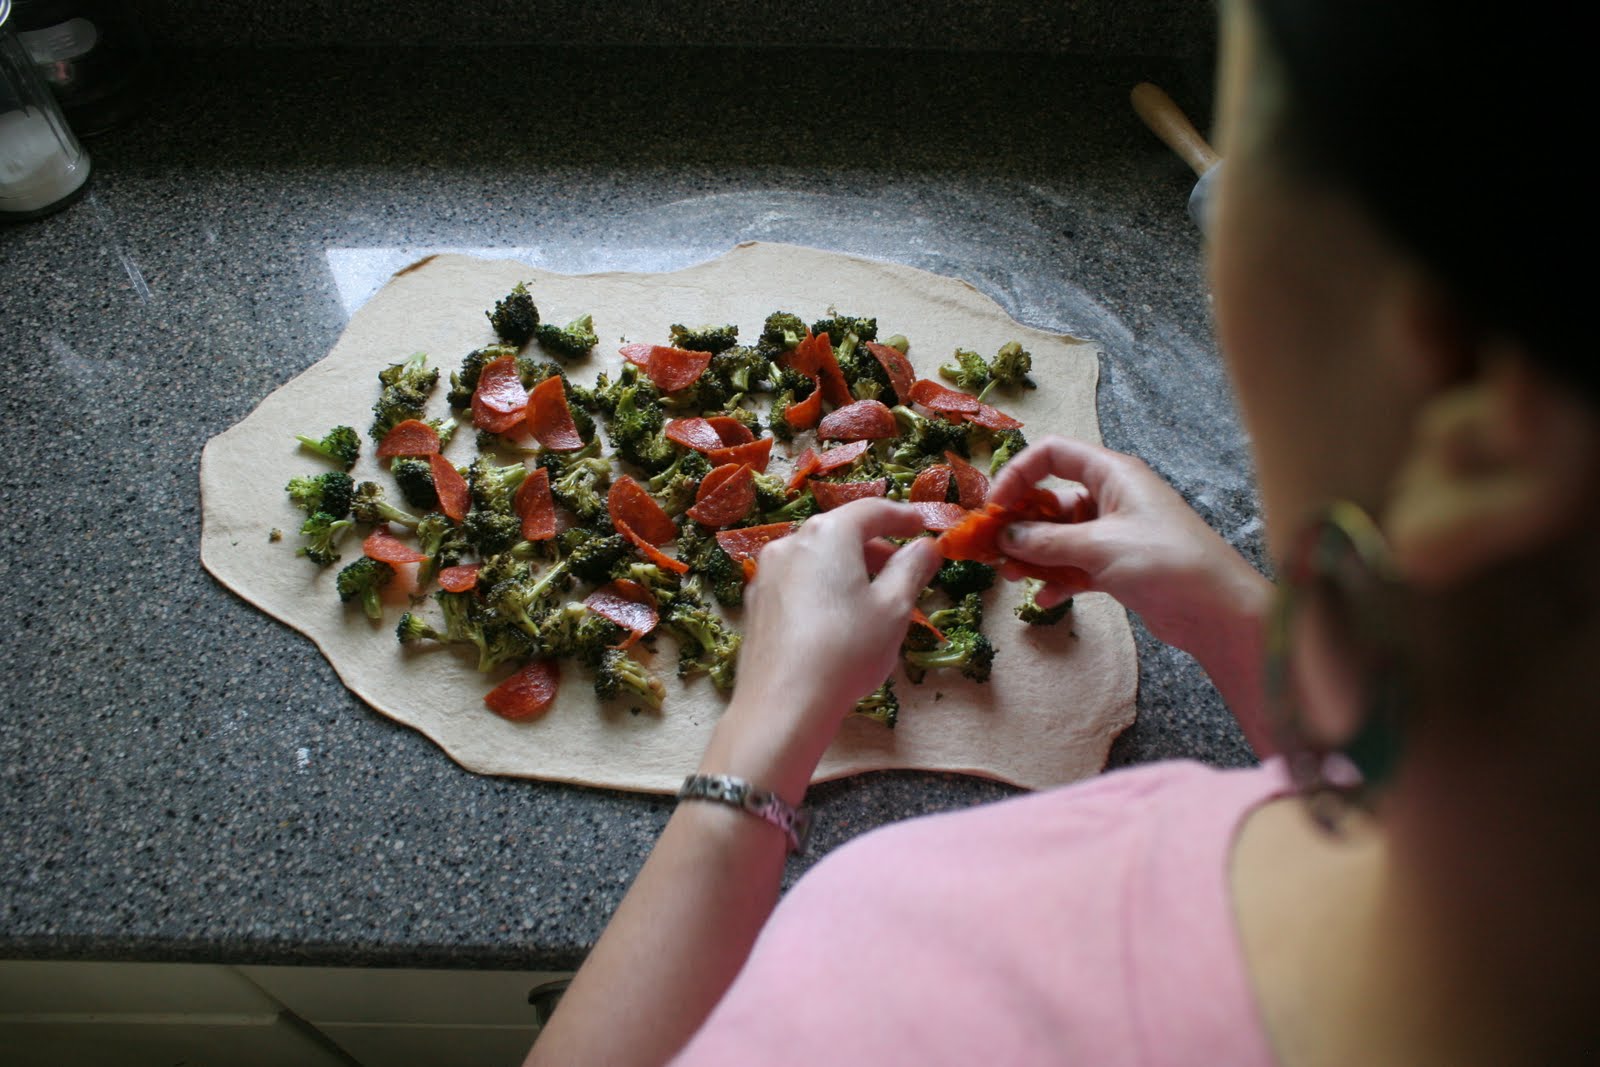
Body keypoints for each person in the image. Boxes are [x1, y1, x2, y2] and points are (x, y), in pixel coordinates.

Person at [528, 0, 1597, 1062]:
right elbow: (1401, 798)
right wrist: (1236, 620)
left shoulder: (904, 962)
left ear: (1468, 400)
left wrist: (762, 730)